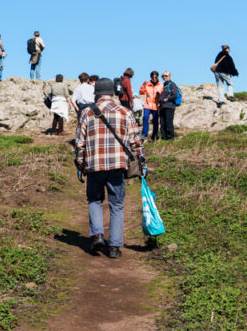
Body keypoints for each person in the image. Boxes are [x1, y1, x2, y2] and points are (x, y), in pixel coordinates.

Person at [75, 77, 145, 259]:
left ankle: (98, 235)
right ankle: (114, 247)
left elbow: (79, 143)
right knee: (117, 205)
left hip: (94, 165)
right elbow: (136, 140)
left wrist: (80, 164)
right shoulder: (125, 112)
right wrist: (142, 161)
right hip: (117, 165)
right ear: (113, 93)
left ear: (96, 93)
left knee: (94, 200)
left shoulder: (87, 113)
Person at [138, 70, 163, 139]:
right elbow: (141, 92)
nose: (154, 78)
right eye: (153, 77)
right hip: (147, 105)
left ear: (157, 77)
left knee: (155, 121)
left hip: (156, 105)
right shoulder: (147, 84)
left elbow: (162, 94)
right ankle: (144, 134)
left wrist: (159, 95)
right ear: (151, 77)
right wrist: (143, 85)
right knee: (145, 118)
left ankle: (155, 135)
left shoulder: (161, 85)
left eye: (155, 77)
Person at [157, 70, 180, 140]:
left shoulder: (172, 84)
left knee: (168, 122)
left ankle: (170, 138)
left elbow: (175, 95)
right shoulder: (163, 85)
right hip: (162, 107)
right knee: (162, 123)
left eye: (166, 76)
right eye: (163, 76)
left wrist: (166, 99)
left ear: (169, 76)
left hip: (169, 106)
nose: (164, 77)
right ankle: (164, 137)